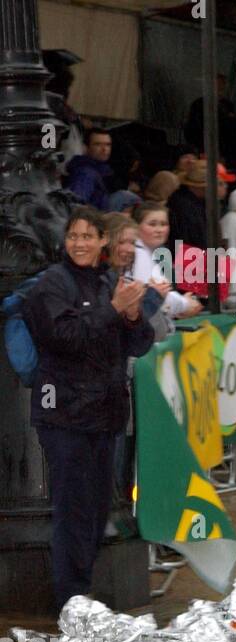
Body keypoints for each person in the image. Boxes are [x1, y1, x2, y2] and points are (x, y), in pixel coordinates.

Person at [23, 207, 157, 609]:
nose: (79, 243)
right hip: (65, 414)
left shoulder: (105, 283)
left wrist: (133, 317)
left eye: (88, 236)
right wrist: (113, 310)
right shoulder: (51, 284)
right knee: (72, 508)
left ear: (103, 241)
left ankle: (82, 592)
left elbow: (138, 344)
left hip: (105, 415)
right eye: (73, 236)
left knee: (98, 509)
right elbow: (63, 337)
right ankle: (72, 598)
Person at [130, 202, 203, 324]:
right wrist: (185, 304)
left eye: (163, 224)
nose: (159, 230)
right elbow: (150, 296)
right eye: (152, 224)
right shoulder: (138, 254)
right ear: (137, 227)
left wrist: (181, 305)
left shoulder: (154, 253)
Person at [65, 128, 113, 210]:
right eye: (98, 144)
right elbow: (75, 207)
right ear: (86, 147)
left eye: (108, 144)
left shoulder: (99, 172)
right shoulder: (85, 174)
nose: (104, 149)